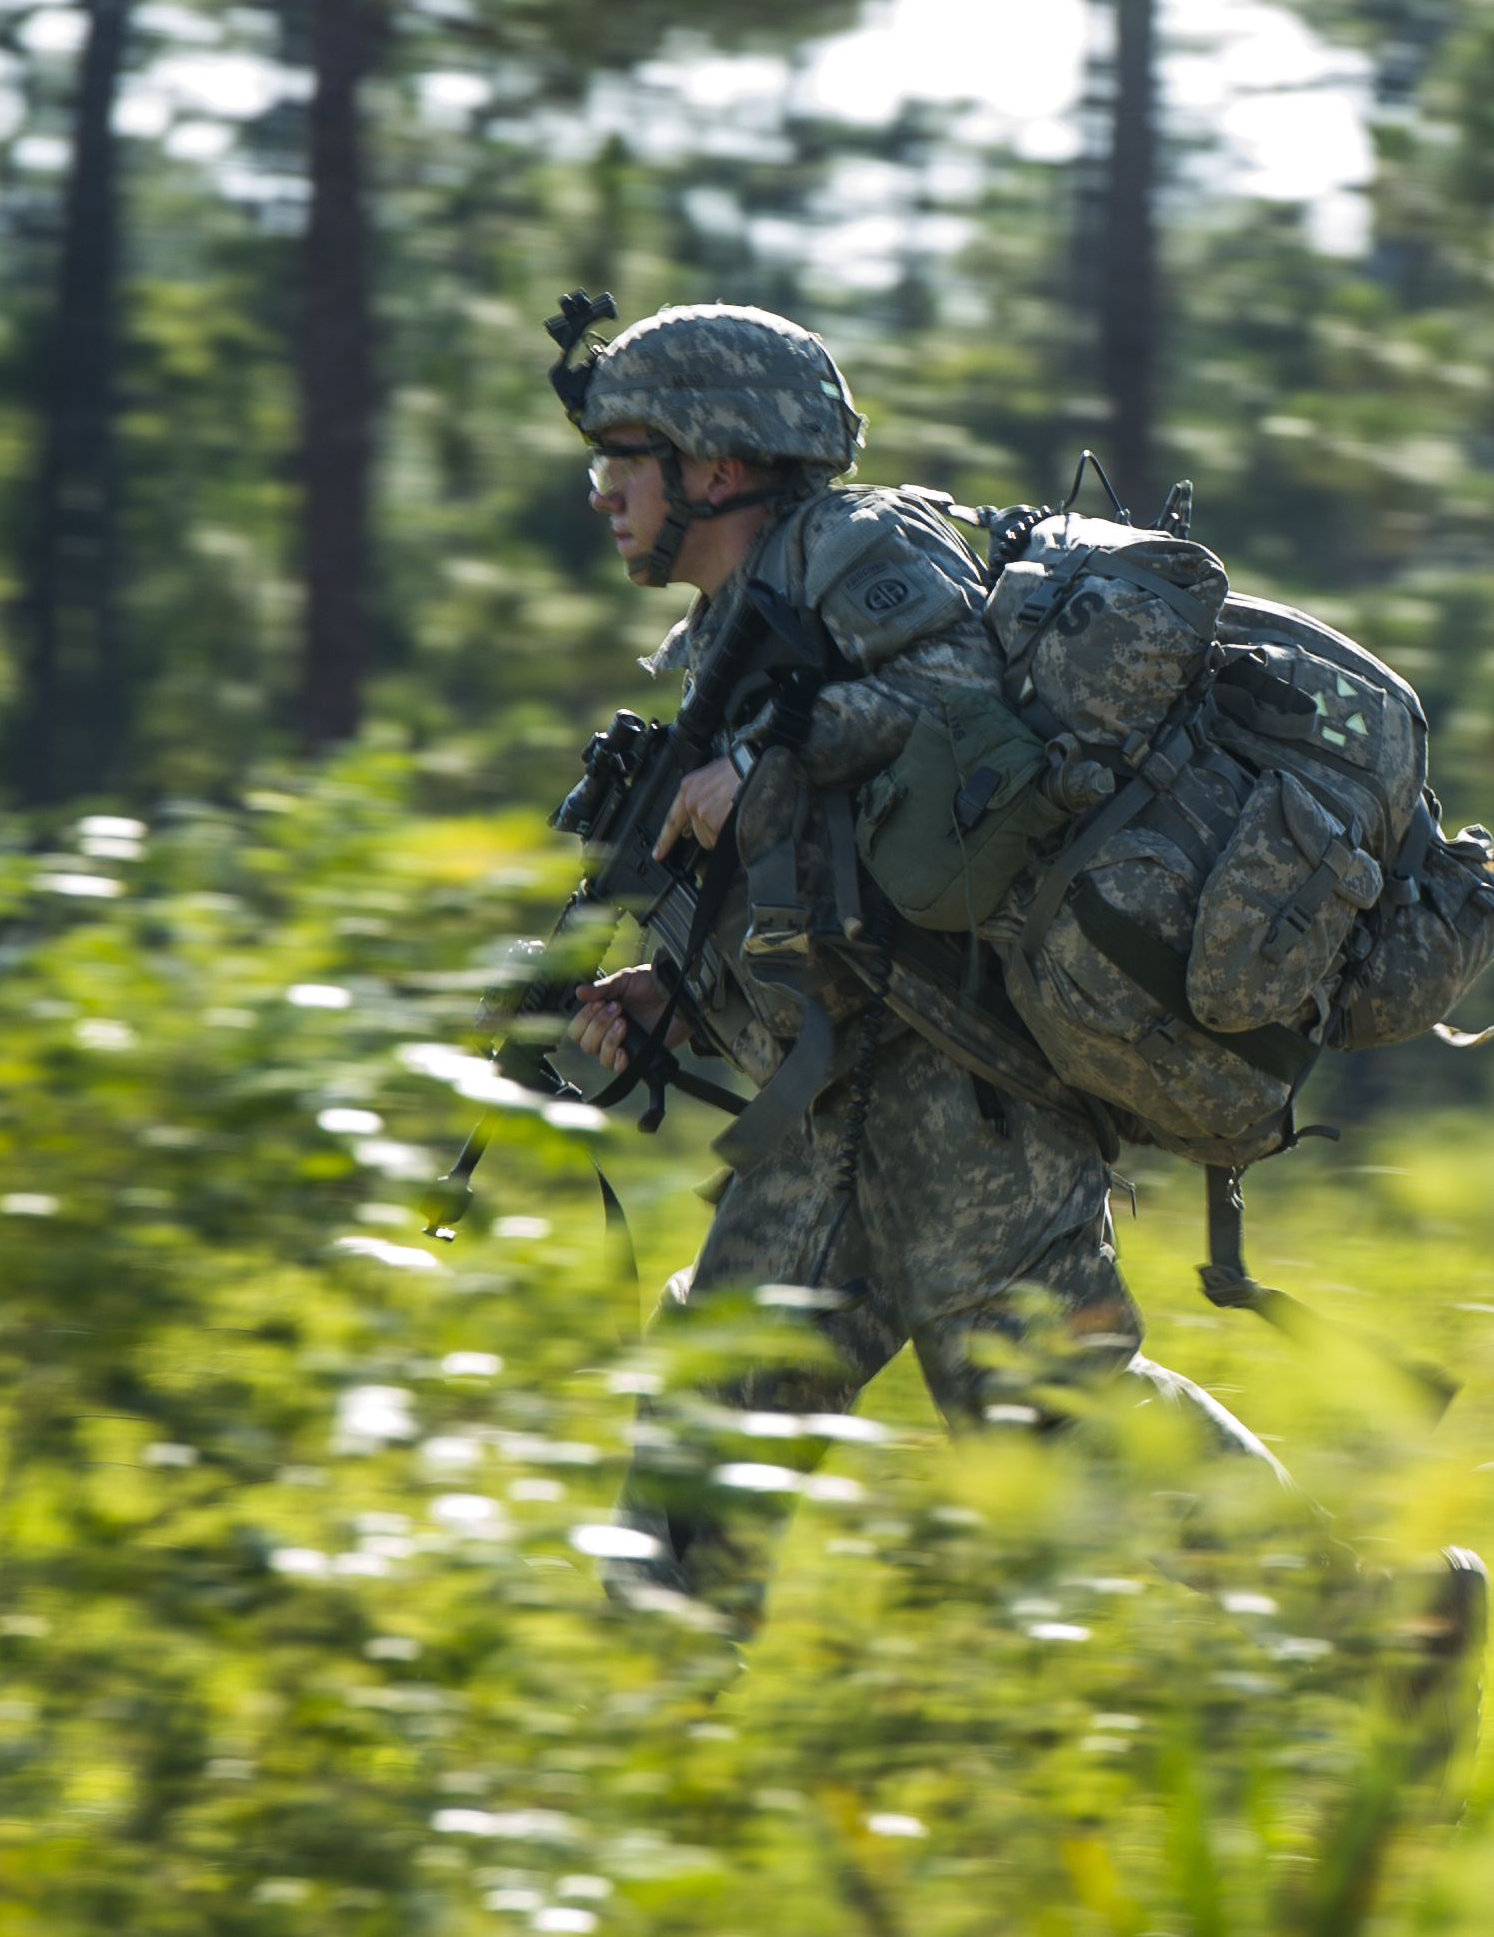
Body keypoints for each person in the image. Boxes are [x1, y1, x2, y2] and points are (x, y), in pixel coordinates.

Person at [549, 302, 1286, 1632]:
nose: (601, 491)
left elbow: (969, 726)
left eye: (626, 455)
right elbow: (808, 881)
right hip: (832, 1107)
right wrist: (677, 991)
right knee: (716, 1402)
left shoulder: (856, 545)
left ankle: (1370, 1626)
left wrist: (772, 756)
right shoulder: (724, 622)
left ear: (717, 461)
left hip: (961, 1089)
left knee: (1042, 1419)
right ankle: (642, 1739)